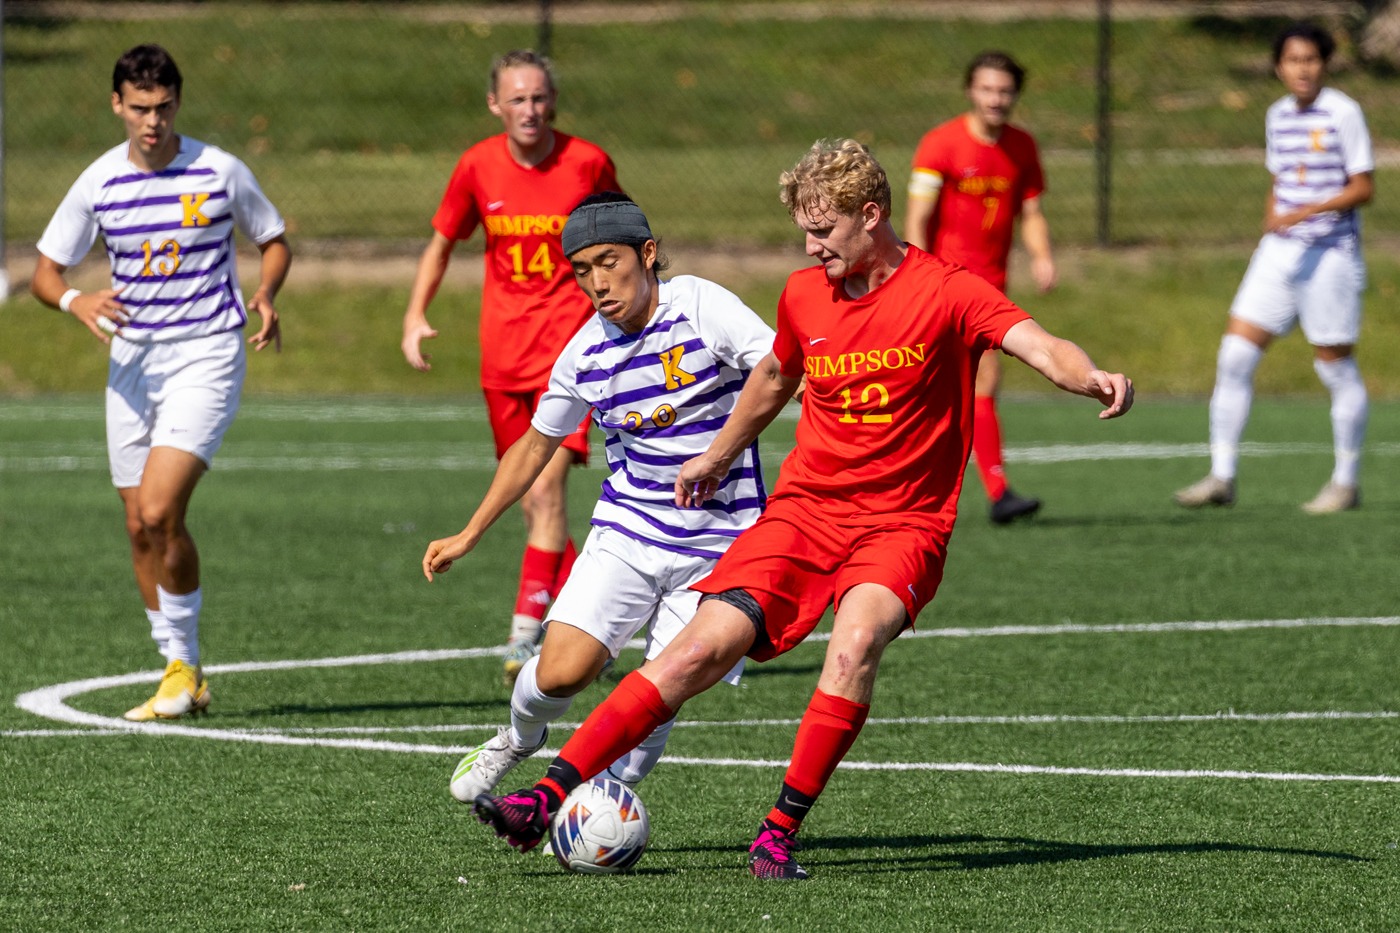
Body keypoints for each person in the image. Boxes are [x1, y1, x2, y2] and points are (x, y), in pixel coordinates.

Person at [471, 139, 1133, 880]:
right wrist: (720, 452)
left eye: (823, 231)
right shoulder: (803, 293)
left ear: (871, 215)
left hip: (902, 524)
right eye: (805, 232)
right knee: (695, 649)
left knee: (853, 647)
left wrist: (1092, 377)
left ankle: (777, 832)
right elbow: (775, 376)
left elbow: (1036, 344)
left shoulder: (948, 289)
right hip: (805, 511)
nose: (810, 247)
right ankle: (546, 794)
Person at [422, 193, 774, 802]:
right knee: (561, 672)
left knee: (661, 694)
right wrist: (471, 531)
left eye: (609, 261)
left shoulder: (700, 306)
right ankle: (515, 738)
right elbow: (535, 446)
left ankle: (594, 805)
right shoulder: (584, 353)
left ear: (648, 252)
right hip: (630, 531)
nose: (597, 282)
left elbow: (776, 369)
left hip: (723, 546)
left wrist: (720, 454)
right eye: (582, 270)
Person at [30, 44, 290, 720]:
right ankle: (181, 668)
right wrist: (75, 301)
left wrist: (266, 292)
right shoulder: (98, 182)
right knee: (137, 525)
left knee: (157, 508)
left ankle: (181, 669)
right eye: (140, 108)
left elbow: (274, 237)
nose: (153, 121)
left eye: (164, 106)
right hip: (131, 364)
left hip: (206, 354)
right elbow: (45, 272)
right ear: (117, 104)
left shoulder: (220, 170)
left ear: (179, 101)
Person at [401, 50, 624, 683]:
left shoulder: (587, 162)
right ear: (496, 105)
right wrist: (415, 314)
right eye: (517, 99)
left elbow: (625, 231)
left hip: (569, 354)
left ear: (554, 100)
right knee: (531, 507)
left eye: (540, 97)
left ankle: (527, 637)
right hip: (502, 357)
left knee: (548, 497)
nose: (531, 110)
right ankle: (599, 619)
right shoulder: (477, 165)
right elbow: (442, 242)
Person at [1175, 22, 1373, 514]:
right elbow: (1279, 176)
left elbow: (1363, 187)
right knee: (1235, 356)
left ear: (1324, 64)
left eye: (1311, 59)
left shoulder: (1344, 113)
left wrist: (1305, 212)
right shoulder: (1277, 114)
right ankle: (1222, 475)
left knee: (1335, 368)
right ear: (1279, 66)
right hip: (1278, 254)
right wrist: (1273, 217)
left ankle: (1345, 482)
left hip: (1328, 255)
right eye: (1292, 60)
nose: (1302, 68)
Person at [905, 50, 1056, 525]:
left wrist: (1042, 256)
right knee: (919, 387)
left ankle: (998, 492)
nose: (996, 99)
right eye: (988, 89)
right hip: (941, 284)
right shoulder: (941, 144)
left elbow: (1030, 213)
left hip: (989, 292)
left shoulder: (1022, 147)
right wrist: (914, 276)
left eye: (1005, 91)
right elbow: (918, 218)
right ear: (971, 91)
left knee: (983, 383)